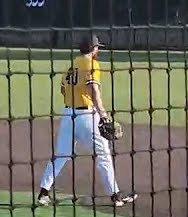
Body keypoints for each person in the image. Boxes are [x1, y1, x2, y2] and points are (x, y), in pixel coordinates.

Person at [37, 33, 134, 207]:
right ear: (94, 48)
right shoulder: (92, 64)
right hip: (86, 117)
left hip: (68, 115)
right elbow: (93, 91)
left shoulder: (71, 66)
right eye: (97, 47)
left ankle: (43, 193)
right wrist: (103, 115)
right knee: (103, 155)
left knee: (61, 155)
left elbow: (62, 91)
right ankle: (116, 196)